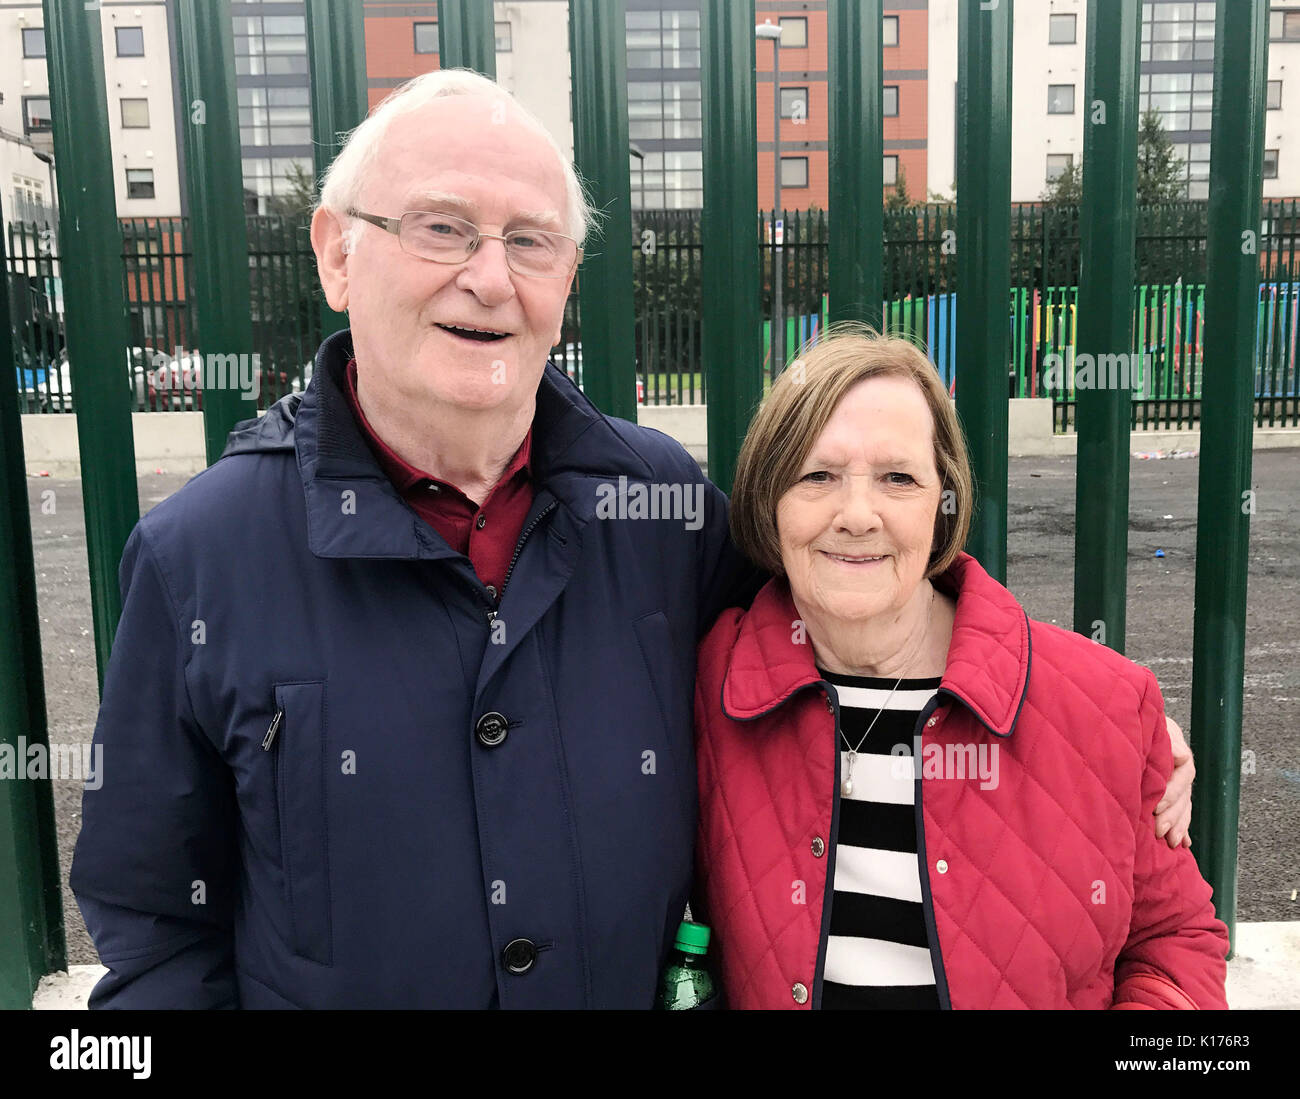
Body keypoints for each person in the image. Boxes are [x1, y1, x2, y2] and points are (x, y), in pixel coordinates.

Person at [69, 72, 1193, 1010]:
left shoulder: (654, 503)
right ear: (335, 254)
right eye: (441, 227)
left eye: (531, 239)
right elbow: (157, 925)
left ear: (567, 276)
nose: (489, 276)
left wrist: (1098, 720)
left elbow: (856, 596)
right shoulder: (198, 557)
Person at [692, 326, 1228, 1010]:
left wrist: (1132, 735)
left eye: (898, 478)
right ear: (770, 500)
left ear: (943, 503)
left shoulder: (1106, 704)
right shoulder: (706, 685)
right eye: (817, 475)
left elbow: (1175, 938)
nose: (858, 515)